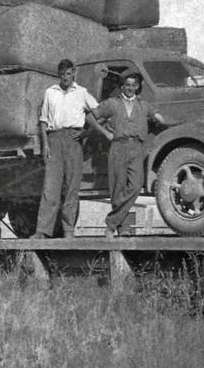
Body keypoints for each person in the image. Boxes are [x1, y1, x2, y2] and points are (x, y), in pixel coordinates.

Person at [91, 71, 177, 239]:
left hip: (137, 148)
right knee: (118, 189)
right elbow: (91, 117)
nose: (130, 88)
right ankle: (123, 229)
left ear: (138, 87)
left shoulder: (144, 105)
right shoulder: (112, 104)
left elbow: (161, 119)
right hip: (118, 147)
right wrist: (104, 133)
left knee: (136, 185)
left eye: (134, 85)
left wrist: (180, 121)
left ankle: (111, 222)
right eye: (127, 85)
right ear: (122, 86)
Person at [30, 59, 99, 239]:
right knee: (50, 188)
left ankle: (69, 230)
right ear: (58, 75)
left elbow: (100, 113)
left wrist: (86, 133)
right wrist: (45, 145)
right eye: (62, 74)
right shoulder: (50, 92)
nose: (65, 78)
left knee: (71, 187)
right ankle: (42, 231)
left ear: (74, 73)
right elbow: (43, 121)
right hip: (54, 139)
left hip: (73, 139)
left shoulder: (82, 93)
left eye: (68, 74)